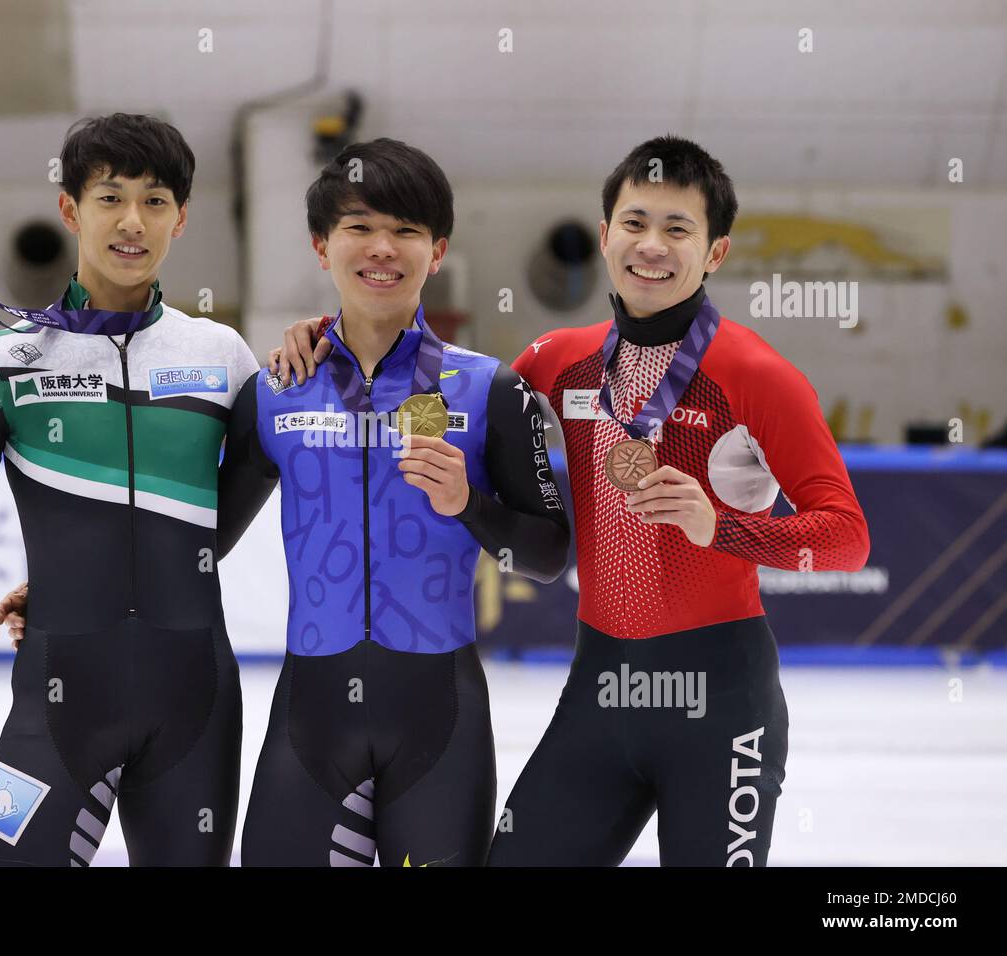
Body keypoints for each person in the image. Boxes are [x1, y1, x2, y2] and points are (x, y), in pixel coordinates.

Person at [268, 135, 870, 866]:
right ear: (606, 234)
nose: (652, 245)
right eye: (635, 222)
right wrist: (323, 335)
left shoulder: (757, 376)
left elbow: (845, 539)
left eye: (678, 229)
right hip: (603, 688)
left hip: (721, 699)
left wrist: (725, 526)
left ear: (714, 253)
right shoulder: (557, 360)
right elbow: (434, 377)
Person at [1, 138, 571, 866]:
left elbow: (550, 557)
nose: (381, 249)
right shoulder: (276, 389)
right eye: (359, 227)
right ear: (320, 243)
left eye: (406, 231)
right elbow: (202, 536)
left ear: (439, 248)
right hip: (311, 720)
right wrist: (82, 582)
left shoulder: (491, 390)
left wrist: (470, 506)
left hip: (441, 721)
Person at [0, 113, 263, 867]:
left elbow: (223, 512)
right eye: (110, 197)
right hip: (57, 704)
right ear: (71, 210)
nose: (132, 222)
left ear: (182, 217)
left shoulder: (222, 356)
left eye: (155, 200)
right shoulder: (3, 362)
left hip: (195, 704)